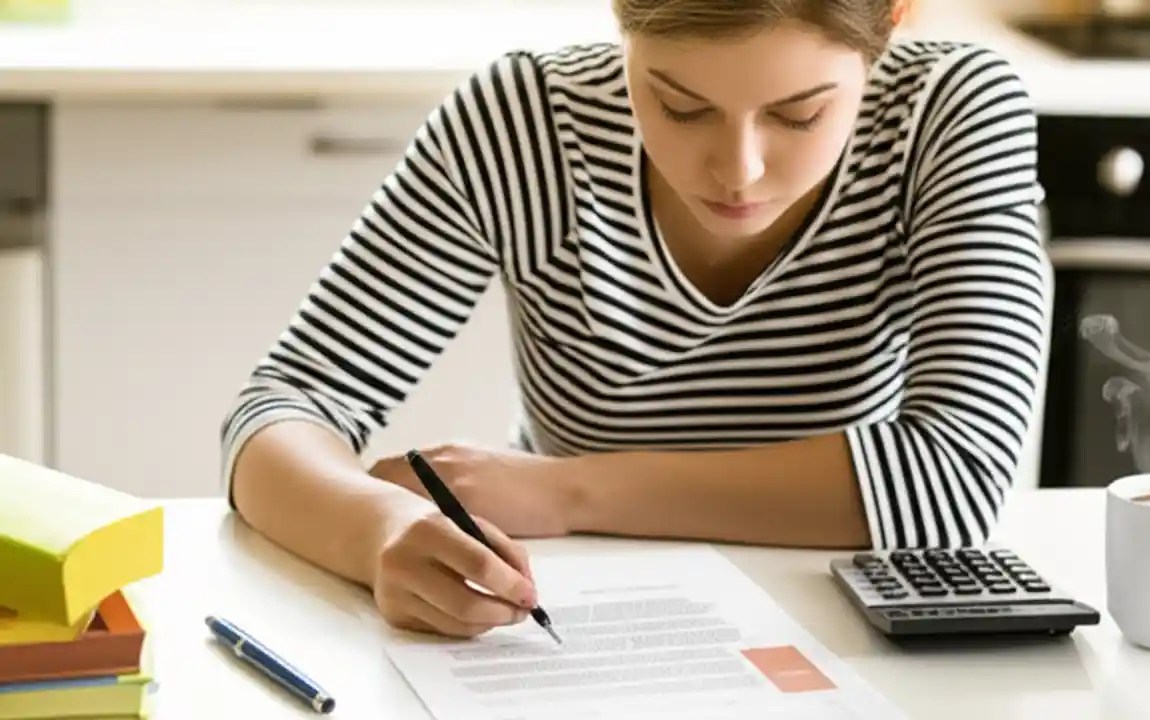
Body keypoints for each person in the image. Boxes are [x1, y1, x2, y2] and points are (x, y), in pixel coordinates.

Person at [220, 0, 1049, 640]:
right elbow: (282, 409)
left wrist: (565, 490)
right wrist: (379, 530)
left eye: (800, 115)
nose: (739, 169)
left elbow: (957, 476)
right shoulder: (526, 122)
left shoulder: (948, 112)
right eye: (681, 107)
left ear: (892, 21)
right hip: (570, 629)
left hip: (859, 641)